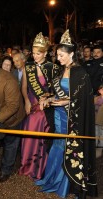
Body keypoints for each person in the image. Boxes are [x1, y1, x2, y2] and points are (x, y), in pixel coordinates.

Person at [36, 29, 98, 198]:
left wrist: (68, 101)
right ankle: (53, 178)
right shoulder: (60, 70)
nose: (58, 58)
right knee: (57, 146)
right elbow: (55, 91)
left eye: (62, 55)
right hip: (58, 115)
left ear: (72, 54)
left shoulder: (81, 74)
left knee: (66, 148)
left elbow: (84, 100)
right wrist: (47, 98)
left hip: (73, 119)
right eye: (57, 55)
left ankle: (66, 184)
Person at [19, 32, 61, 180]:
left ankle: (40, 167)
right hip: (31, 104)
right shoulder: (28, 67)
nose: (35, 56)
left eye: (38, 53)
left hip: (45, 107)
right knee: (29, 132)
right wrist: (26, 101)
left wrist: (47, 98)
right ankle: (27, 165)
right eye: (34, 53)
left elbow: (57, 90)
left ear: (45, 54)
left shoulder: (53, 68)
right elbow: (24, 87)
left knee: (40, 133)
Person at [94, 84, 103, 158]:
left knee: (102, 135)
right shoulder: (96, 99)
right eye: (101, 89)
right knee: (96, 134)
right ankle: (95, 149)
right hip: (96, 120)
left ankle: (100, 150)